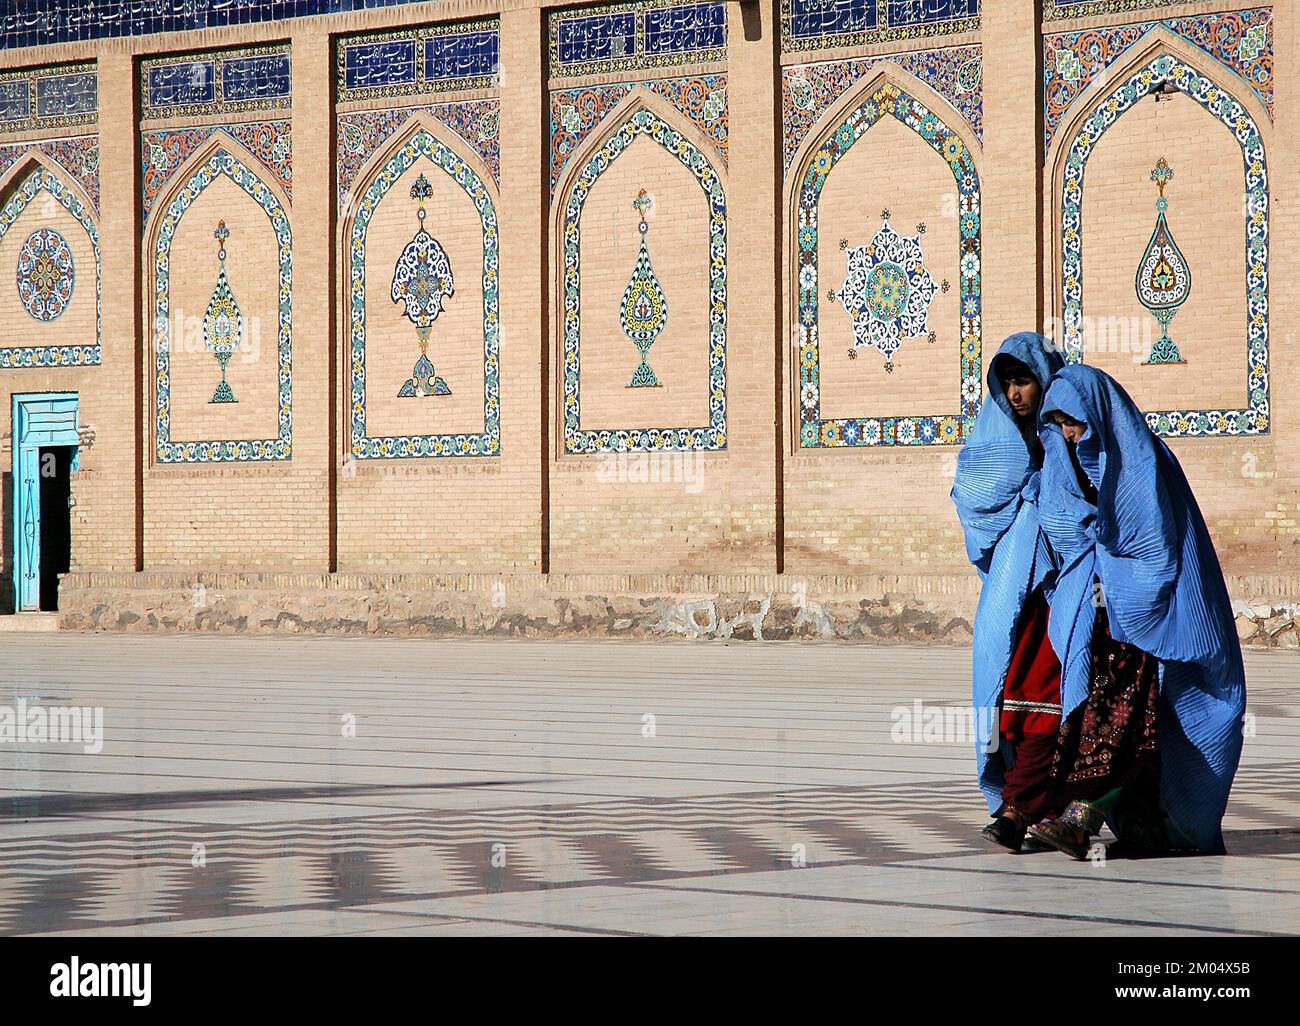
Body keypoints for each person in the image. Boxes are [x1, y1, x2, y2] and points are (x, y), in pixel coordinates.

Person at [1028, 365, 1246, 858]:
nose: (1067, 433)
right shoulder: (1081, 466)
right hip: (1107, 623)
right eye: (1060, 423)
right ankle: (1137, 827)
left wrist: (1127, 592)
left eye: (1074, 421)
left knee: (1123, 724)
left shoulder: (1144, 464)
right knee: (1124, 725)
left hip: (1155, 619)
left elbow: (1157, 548)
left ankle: (1080, 818)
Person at [951, 332, 1065, 852]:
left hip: (1062, 588)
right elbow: (975, 491)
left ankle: (1030, 809)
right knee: (1008, 690)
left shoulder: (1067, 433)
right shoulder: (999, 437)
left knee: (1051, 693)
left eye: (1025, 382)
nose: (1016, 394)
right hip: (1013, 592)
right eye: (1009, 384)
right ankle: (1022, 803)